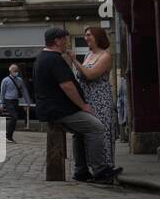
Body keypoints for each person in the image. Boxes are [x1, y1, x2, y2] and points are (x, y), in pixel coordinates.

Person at [33, 25, 113, 184]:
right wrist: (83, 106)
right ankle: (100, 170)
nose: (67, 43)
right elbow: (67, 86)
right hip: (61, 110)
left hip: (53, 109)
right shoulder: (55, 59)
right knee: (96, 127)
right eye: (64, 40)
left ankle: (81, 170)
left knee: (80, 132)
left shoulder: (42, 57)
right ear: (56, 41)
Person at [67, 26, 119, 176]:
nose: (86, 38)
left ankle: (104, 166)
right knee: (87, 132)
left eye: (89, 35)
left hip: (100, 99)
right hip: (88, 98)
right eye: (85, 35)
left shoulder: (105, 56)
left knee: (101, 130)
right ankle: (87, 166)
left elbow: (90, 75)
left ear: (97, 37)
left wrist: (74, 61)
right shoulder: (88, 55)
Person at [0, 63, 32, 142]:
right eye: (15, 70)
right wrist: (1, 104)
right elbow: (2, 92)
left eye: (17, 70)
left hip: (15, 100)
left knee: (15, 118)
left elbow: (24, 91)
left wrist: (28, 102)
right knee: (14, 117)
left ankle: (9, 136)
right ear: (10, 71)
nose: (16, 71)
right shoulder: (5, 80)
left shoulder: (20, 80)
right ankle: (8, 136)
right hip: (8, 100)